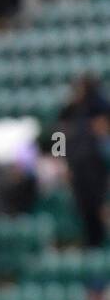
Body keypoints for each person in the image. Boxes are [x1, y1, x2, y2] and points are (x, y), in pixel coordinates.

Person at [56, 75, 110, 249]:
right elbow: (58, 135)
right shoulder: (69, 111)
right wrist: (61, 161)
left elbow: (102, 131)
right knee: (83, 211)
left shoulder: (97, 107)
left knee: (99, 208)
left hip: (95, 167)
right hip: (77, 168)